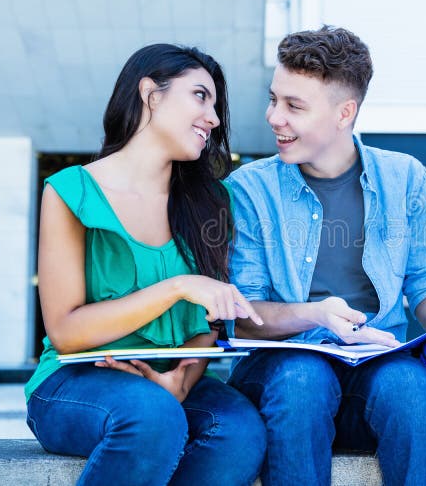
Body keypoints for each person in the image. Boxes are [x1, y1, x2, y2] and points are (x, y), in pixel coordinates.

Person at [226, 26, 426, 486]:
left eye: (295, 106)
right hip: (282, 373)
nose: (275, 117)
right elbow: (244, 316)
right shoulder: (248, 190)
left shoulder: (405, 179)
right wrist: (317, 315)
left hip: (375, 366)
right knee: (303, 377)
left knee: (412, 387)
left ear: (344, 113)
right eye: (275, 99)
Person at [24, 44, 266, 486]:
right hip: (76, 379)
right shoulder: (70, 192)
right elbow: (66, 332)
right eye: (200, 96)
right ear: (151, 95)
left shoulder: (213, 202)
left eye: (215, 105)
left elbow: (206, 326)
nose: (213, 118)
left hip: (171, 378)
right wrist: (176, 287)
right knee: (152, 417)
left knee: (240, 429)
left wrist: (182, 382)